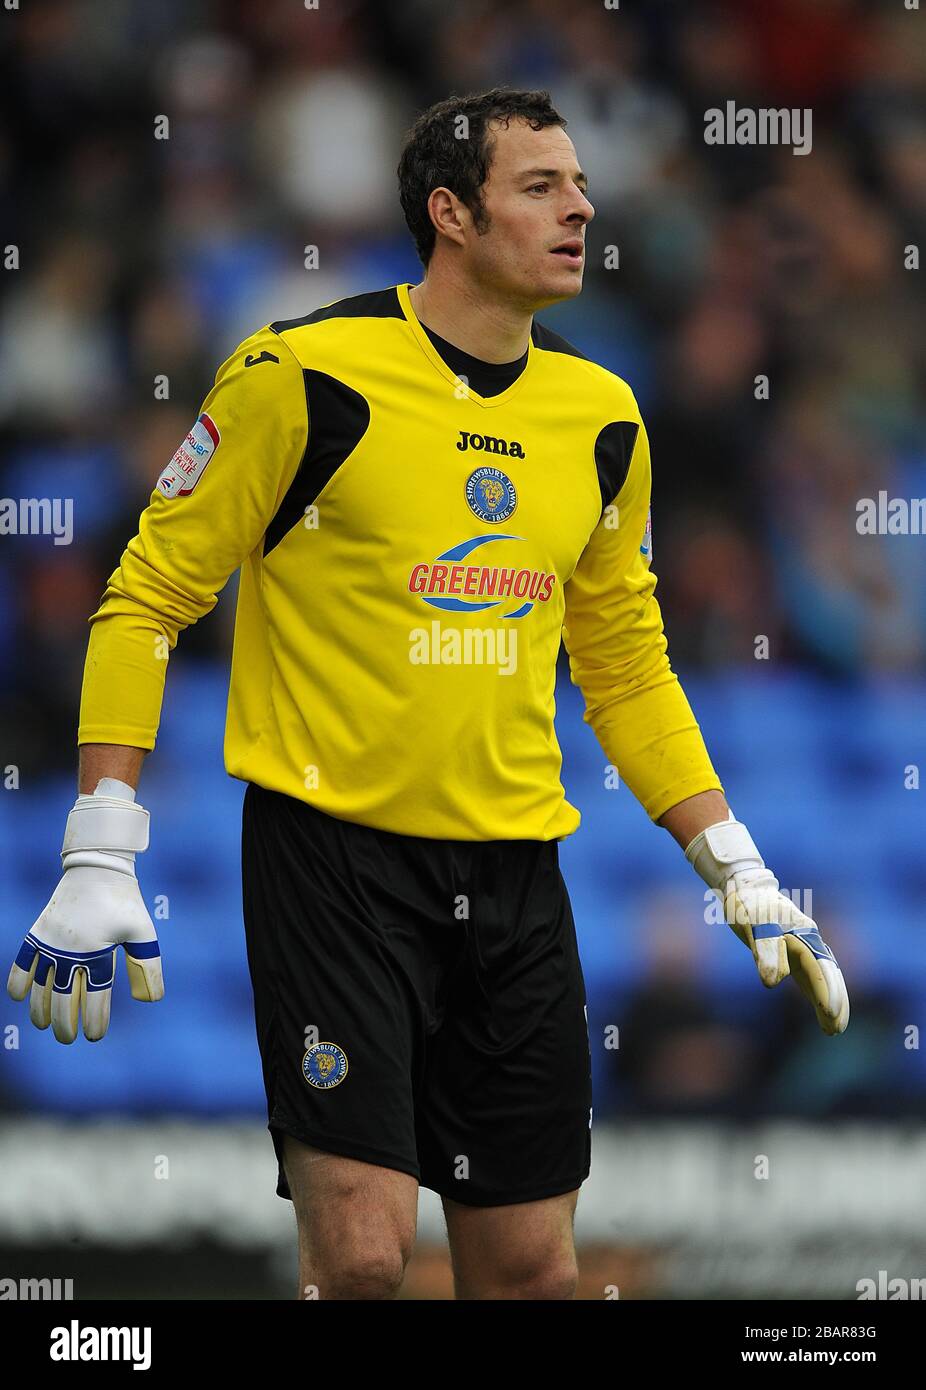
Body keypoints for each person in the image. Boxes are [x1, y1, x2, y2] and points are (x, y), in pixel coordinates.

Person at [7, 88, 849, 1301]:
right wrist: (101, 839)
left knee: (531, 1274)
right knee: (360, 1259)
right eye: (541, 186)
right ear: (449, 213)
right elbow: (142, 600)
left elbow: (622, 660)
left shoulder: (603, 418)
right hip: (331, 861)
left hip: (514, 873)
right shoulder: (302, 377)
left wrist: (733, 862)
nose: (581, 207)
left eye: (579, 183)